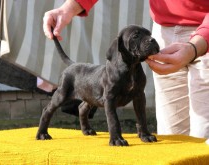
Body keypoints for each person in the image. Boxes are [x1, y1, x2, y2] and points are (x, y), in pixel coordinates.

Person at [43, 0, 209, 138]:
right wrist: (69, 7)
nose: (147, 40)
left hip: (205, 31)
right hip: (165, 29)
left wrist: (198, 44)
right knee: (172, 136)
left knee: (204, 135)